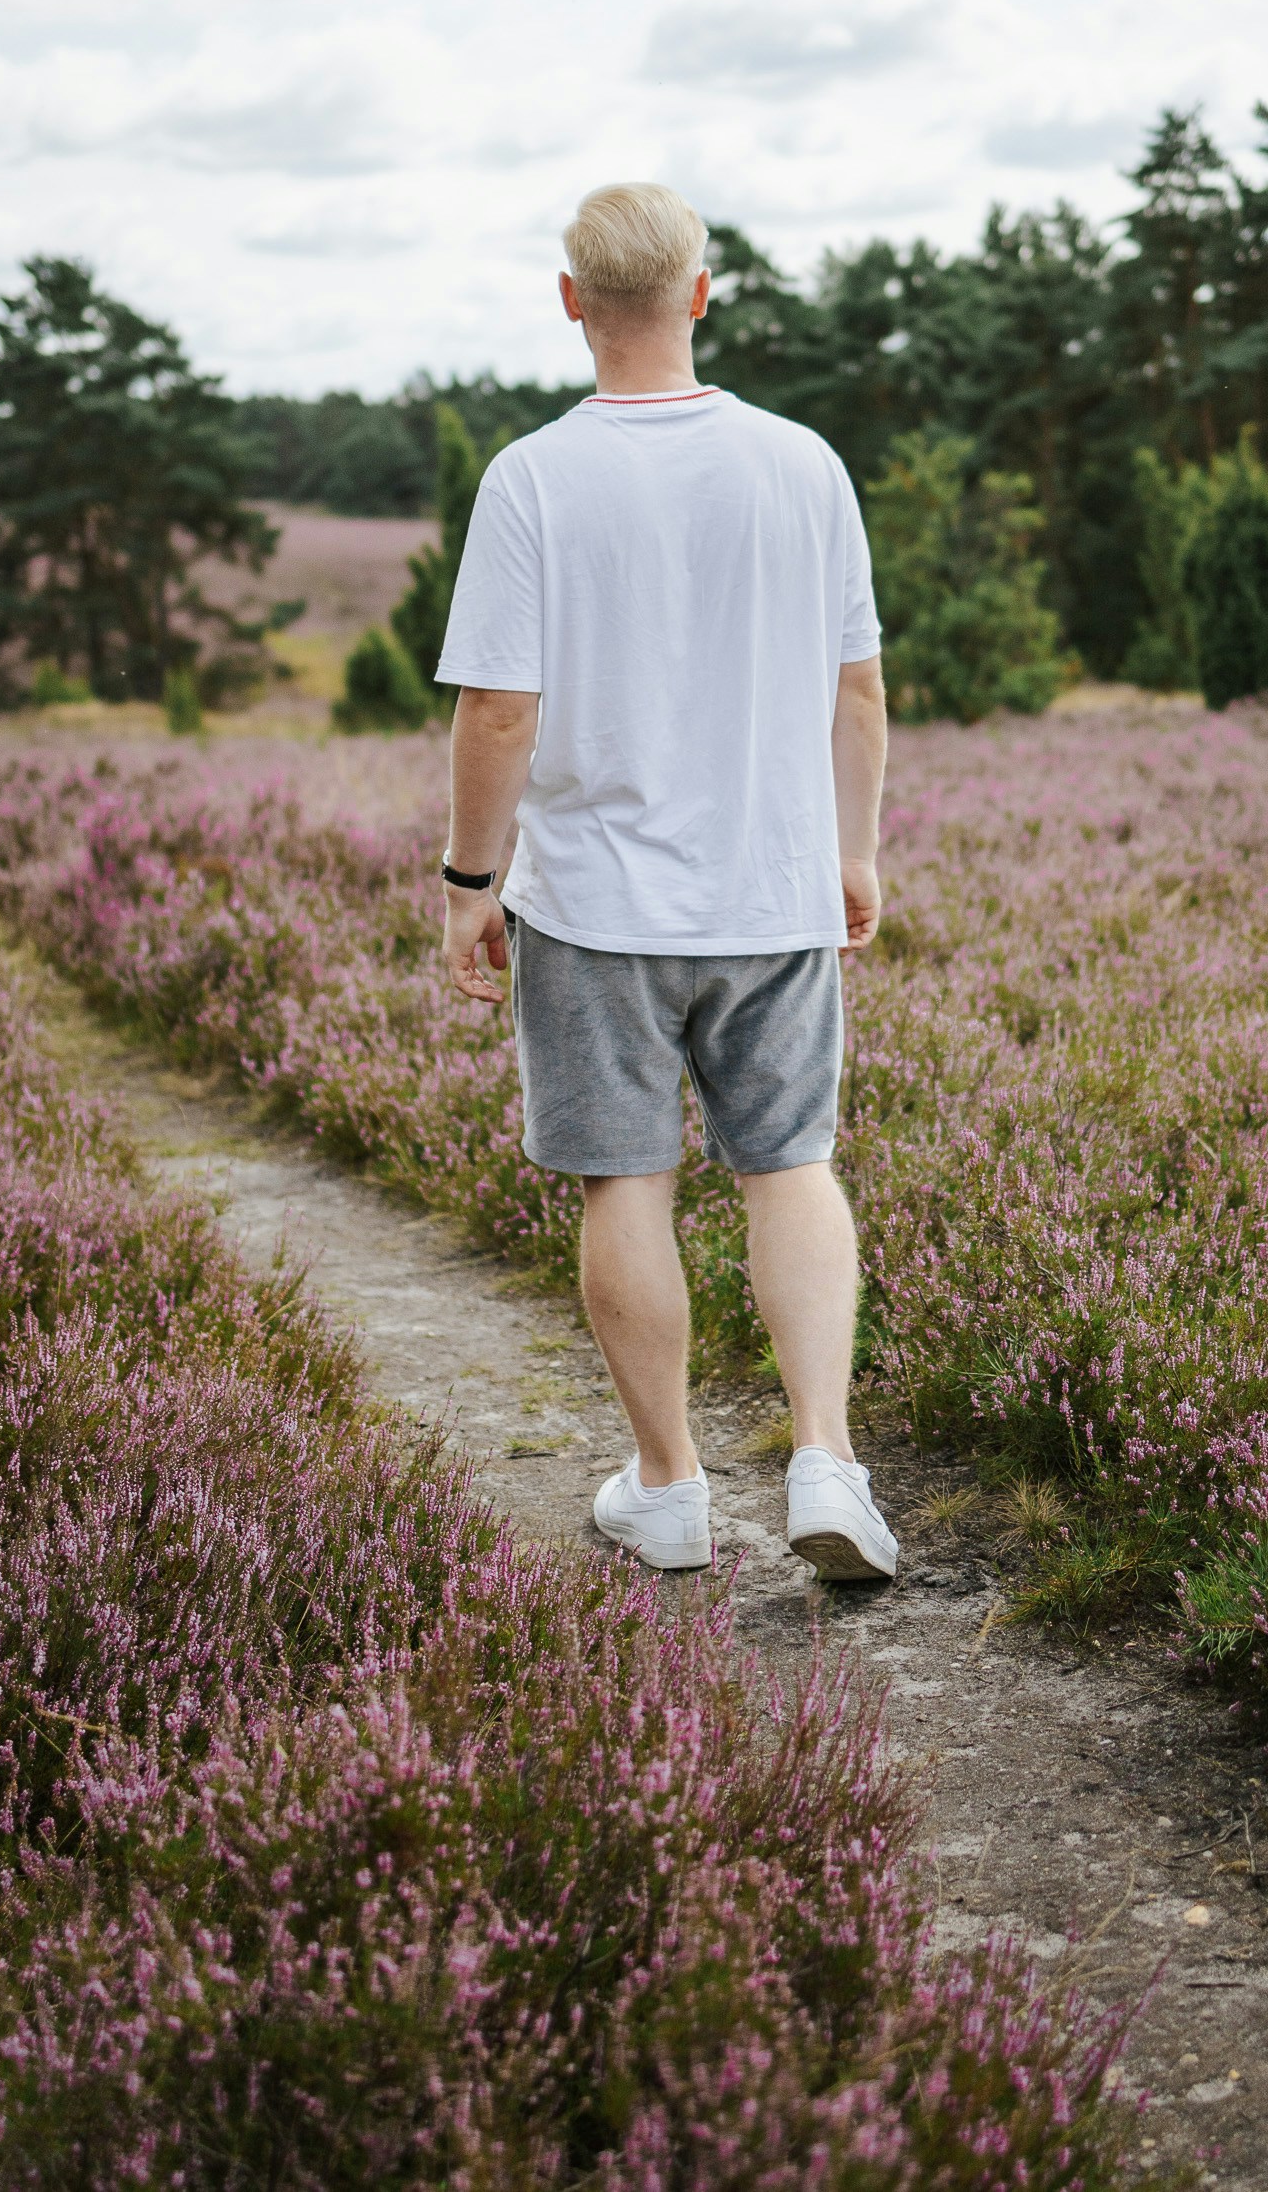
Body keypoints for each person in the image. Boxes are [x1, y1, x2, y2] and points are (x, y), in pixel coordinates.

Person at [434, 181, 899, 1583]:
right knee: (791, 1165)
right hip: (773, 891)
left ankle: (672, 1488)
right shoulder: (803, 463)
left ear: (571, 302)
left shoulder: (530, 477)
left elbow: (497, 714)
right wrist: (853, 851)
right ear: (701, 295)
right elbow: (858, 690)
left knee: (623, 1183)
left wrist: (470, 879)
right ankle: (824, 1457)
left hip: (594, 908)